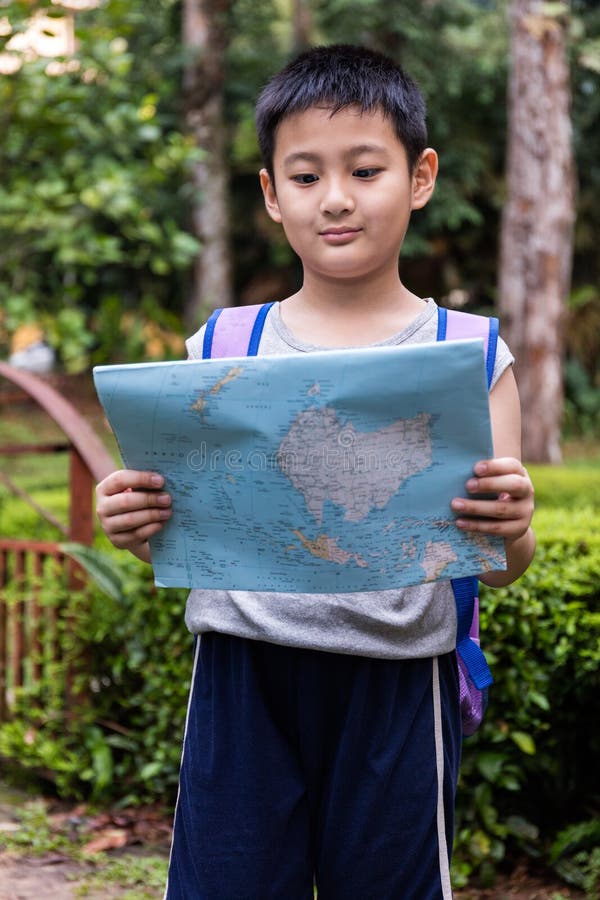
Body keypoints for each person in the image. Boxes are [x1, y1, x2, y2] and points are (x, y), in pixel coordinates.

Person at [96, 44, 535, 900]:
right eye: (305, 176)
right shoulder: (220, 348)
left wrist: (511, 529)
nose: (335, 198)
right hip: (241, 678)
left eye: (365, 170)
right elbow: (184, 537)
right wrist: (134, 523)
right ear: (271, 194)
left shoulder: (472, 356)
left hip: (398, 682)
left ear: (420, 177)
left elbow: (501, 566)